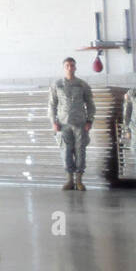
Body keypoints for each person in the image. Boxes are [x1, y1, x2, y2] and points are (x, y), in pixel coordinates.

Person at [48, 57, 97, 191]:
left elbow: (90, 104)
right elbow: (52, 105)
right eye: (67, 65)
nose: (70, 68)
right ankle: (69, 180)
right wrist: (53, 122)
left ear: (75, 67)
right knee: (66, 152)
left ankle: (79, 180)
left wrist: (89, 121)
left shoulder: (82, 85)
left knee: (80, 151)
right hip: (64, 125)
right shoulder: (57, 85)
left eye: (72, 65)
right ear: (64, 67)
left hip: (80, 124)